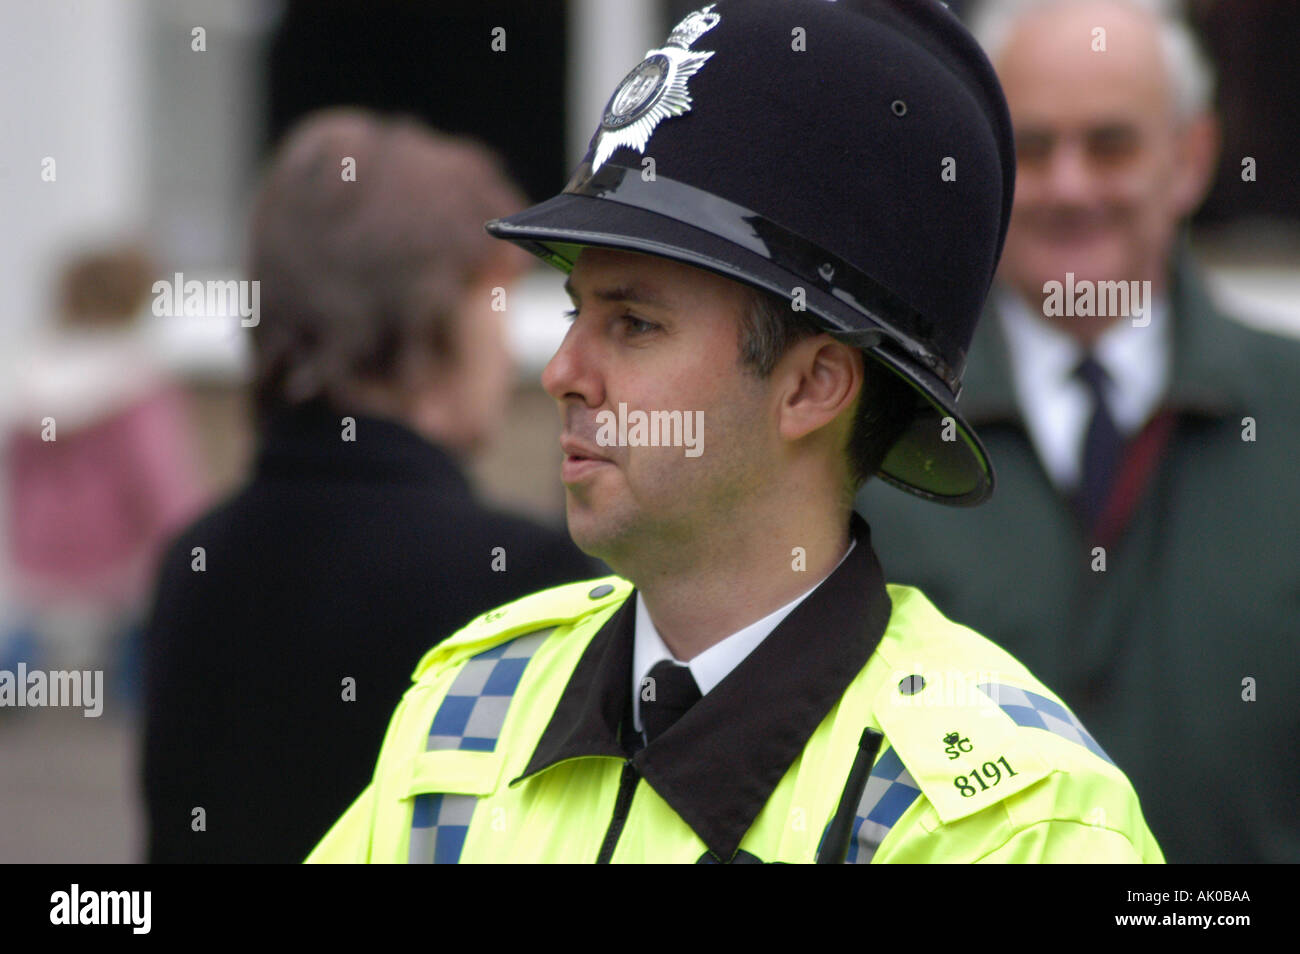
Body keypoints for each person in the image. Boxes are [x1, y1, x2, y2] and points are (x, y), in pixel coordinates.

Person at [309, 0, 1162, 864]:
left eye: (633, 323)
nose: (561, 372)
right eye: (574, 312)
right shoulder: (465, 718)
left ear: (812, 385)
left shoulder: (1016, 823)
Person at [859, 0, 1300, 863]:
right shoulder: (866, 425)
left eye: (1111, 145)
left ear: (1192, 157)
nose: (1069, 187)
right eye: (1032, 148)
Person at [142, 110, 599, 863]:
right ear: (432, 313)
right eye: (495, 298)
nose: (530, 353)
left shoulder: (195, 558)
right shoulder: (523, 578)